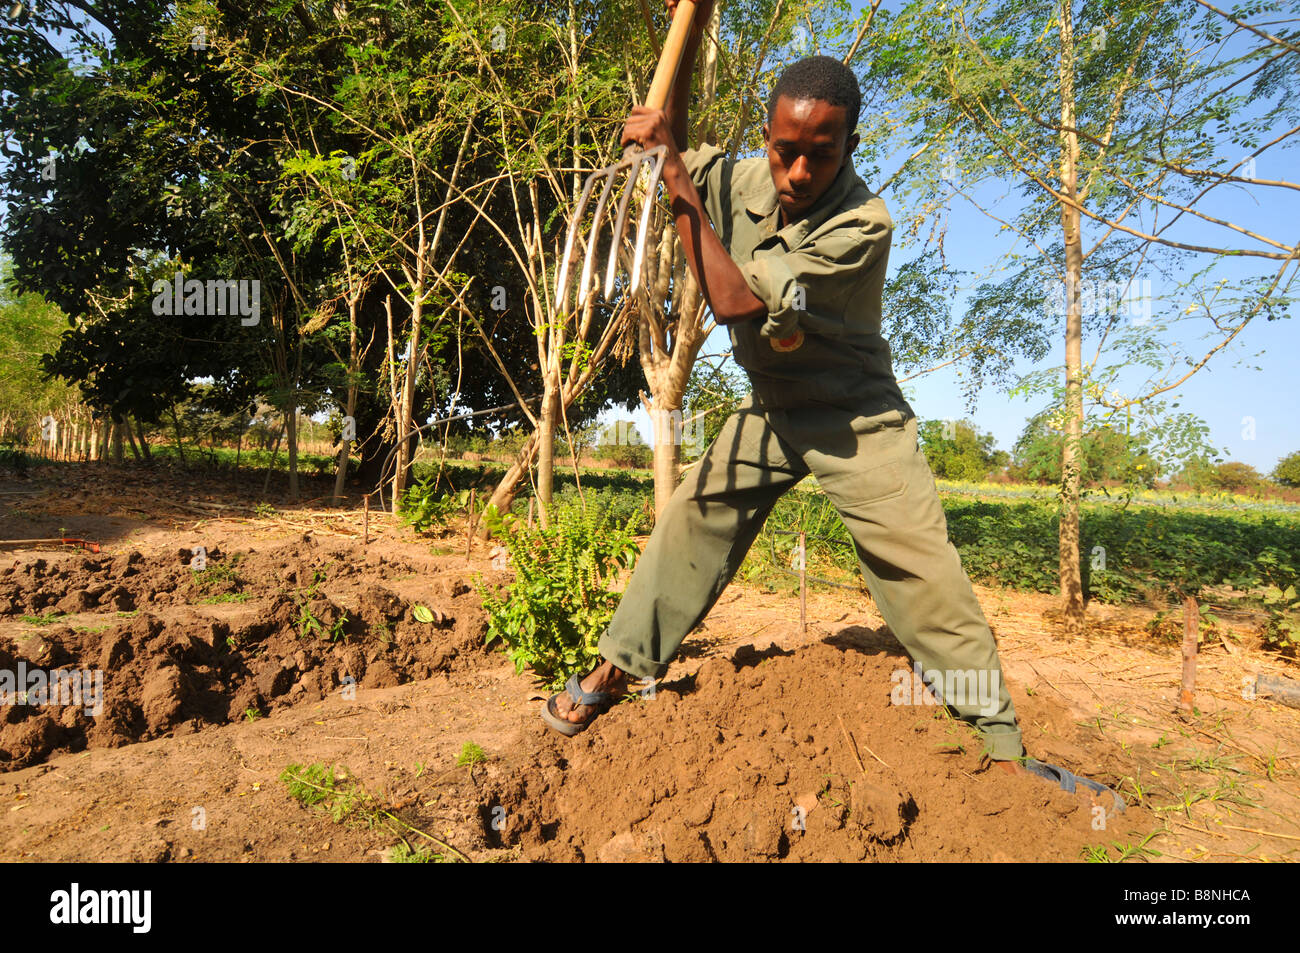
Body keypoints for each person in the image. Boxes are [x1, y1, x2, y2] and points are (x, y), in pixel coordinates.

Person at [544, 0, 1122, 811]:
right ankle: (620, 666)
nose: (797, 173)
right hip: (774, 403)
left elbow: (735, 300)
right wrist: (696, 21)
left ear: (850, 146)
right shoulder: (746, 177)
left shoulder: (864, 224)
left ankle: (998, 745)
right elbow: (669, 128)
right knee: (693, 520)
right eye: (784, 151)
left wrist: (674, 183)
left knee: (922, 568)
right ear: (769, 137)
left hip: (855, 418)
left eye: (819, 155)